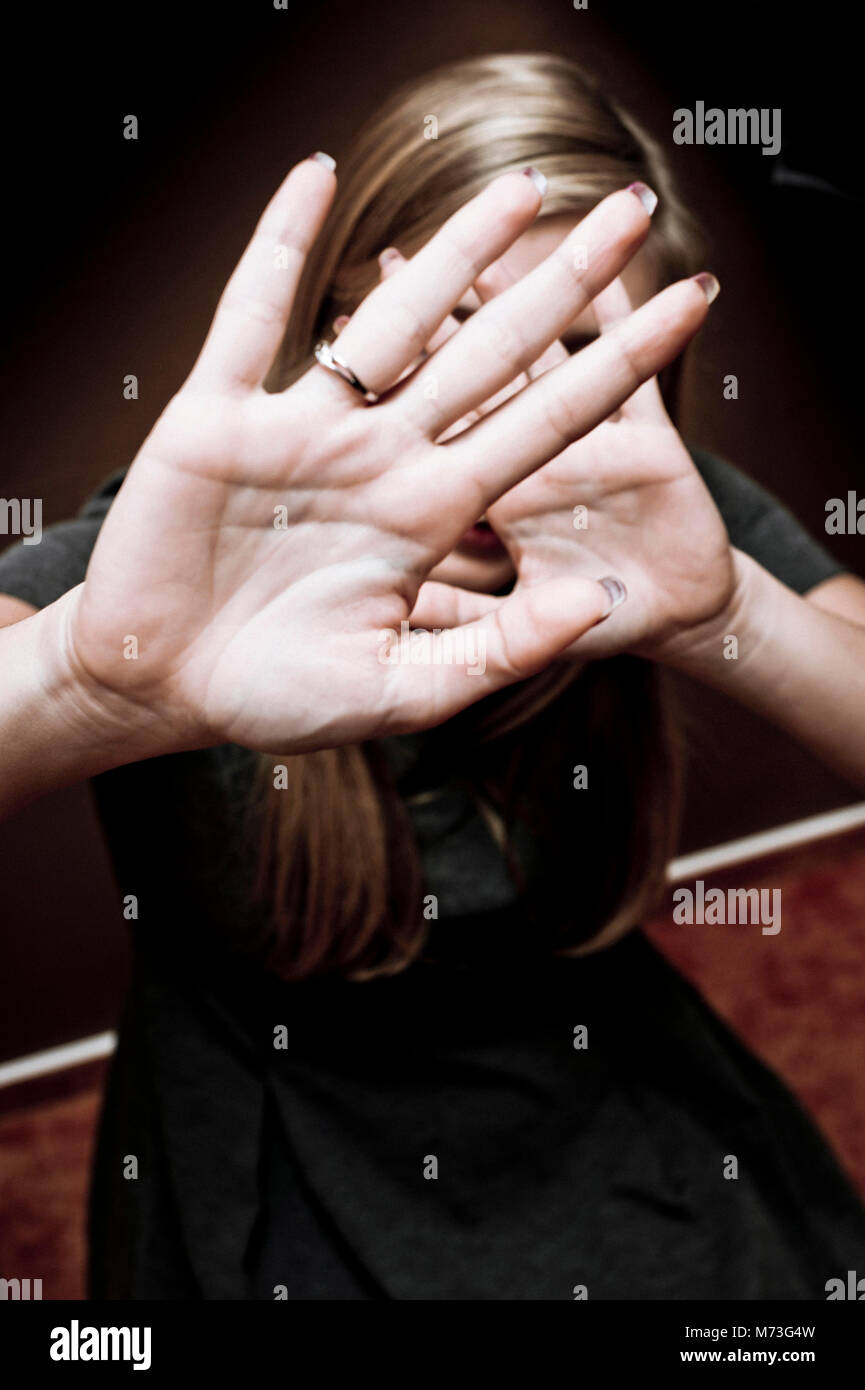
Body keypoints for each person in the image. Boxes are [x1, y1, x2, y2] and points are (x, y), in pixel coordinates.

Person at [2, 52, 864, 1300]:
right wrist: (82, 686)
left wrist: (734, 615)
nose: (504, 403)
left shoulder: (648, 512)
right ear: (350, 318)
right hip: (275, 1143)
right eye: (461, 328)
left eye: (570, 349)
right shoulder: (191, 553)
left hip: (593, 1093)